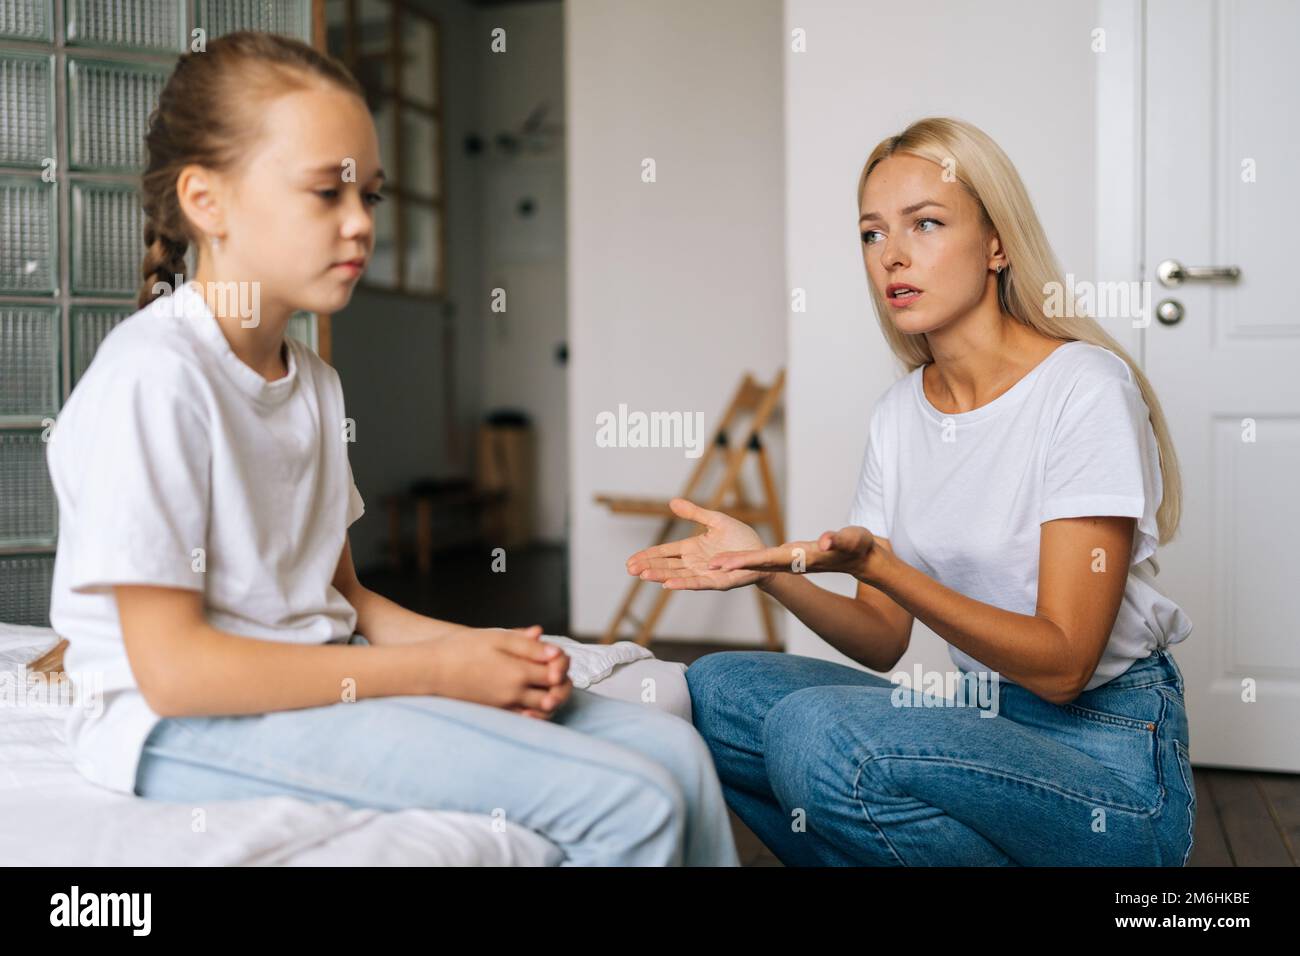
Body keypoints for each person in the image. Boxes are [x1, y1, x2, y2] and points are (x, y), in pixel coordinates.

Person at [34, 31, 738, 867]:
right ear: (206, 200)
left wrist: (479, 651)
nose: (361, 223)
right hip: (177, 726)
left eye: (369, 194)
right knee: (635, 802)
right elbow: (175, 673)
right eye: (325, 193)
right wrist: (435, 673)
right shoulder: (154, 379)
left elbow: (344, 600)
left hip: (312, 684)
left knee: (677, 756)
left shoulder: (314, 383)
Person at [627, 117, 1196, 867]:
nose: (891, 254)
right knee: (715, 691)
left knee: (818, 732)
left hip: (1109, 763)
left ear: (996, 244)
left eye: (925, 223)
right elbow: (882, 637)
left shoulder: (1083, 389)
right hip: (982, 726)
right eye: (873, 233)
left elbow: (1064, 667)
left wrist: (886, 568)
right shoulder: (900, 413)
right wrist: (767, 569)